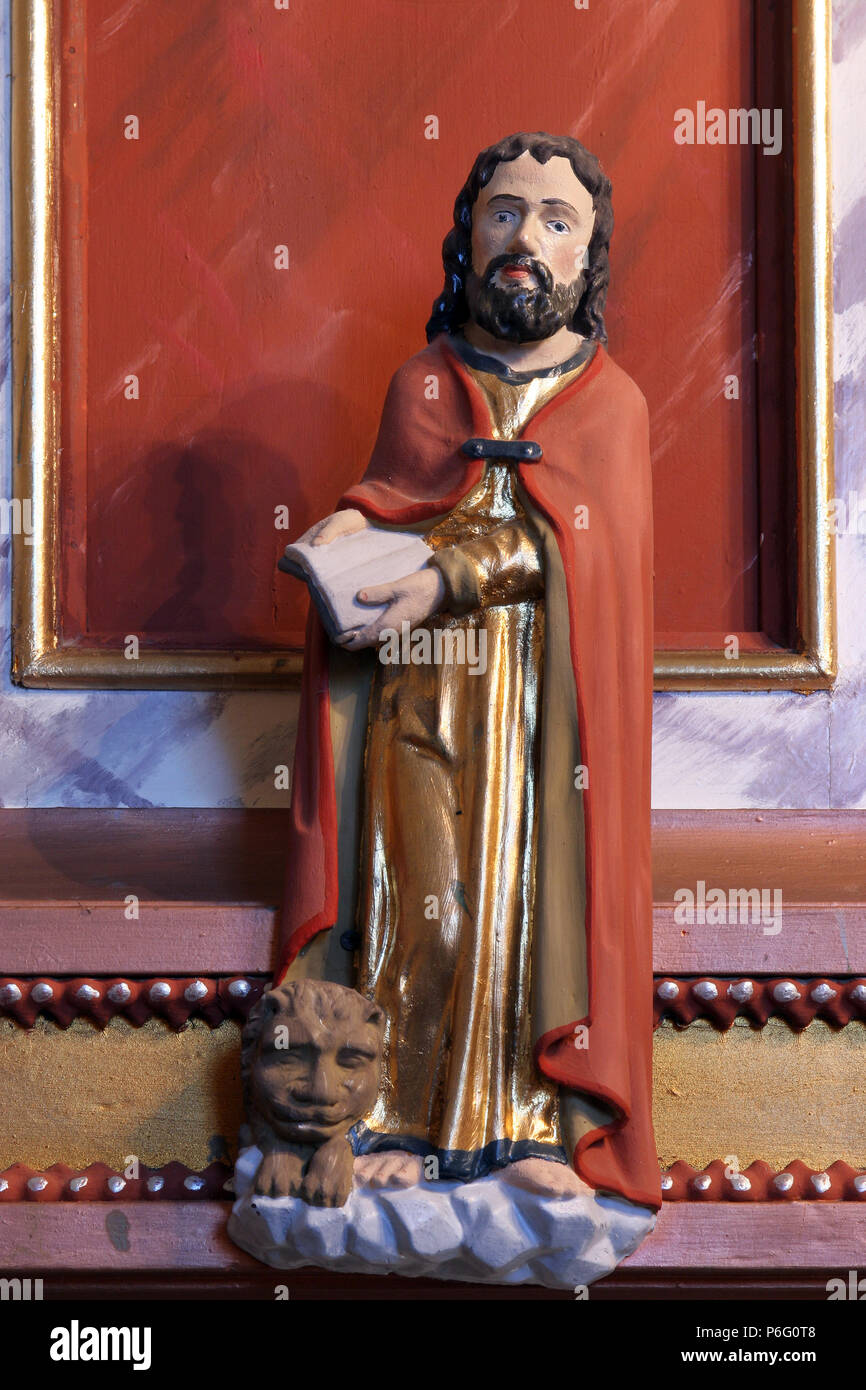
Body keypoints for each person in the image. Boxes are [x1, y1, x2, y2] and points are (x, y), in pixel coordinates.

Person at [276, 132, 660, 1214]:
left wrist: (454, 573)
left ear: (587, 259)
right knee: (421, 902)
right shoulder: (425, 381)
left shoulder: (609, 403)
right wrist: (340, 533)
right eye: (502, 213)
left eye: (553, 220)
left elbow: (583, 552)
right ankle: (395, 1110)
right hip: (419, 698)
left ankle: (534, 1123)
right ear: (466, 235)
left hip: (545, 721)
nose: (523, 240)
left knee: (532, 910)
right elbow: (394, 490)